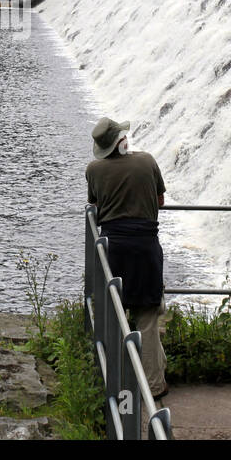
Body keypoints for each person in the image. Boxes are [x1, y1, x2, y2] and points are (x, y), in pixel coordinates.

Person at [85, 117, 168, 399]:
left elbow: (94, 204)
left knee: (115, 315)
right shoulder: (147, 162)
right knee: (147, 319)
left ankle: (116, 381)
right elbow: (160, 201)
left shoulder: (94, 169)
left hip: (114, 250)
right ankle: (154, 386)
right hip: (146, 248)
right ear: (123, 141)